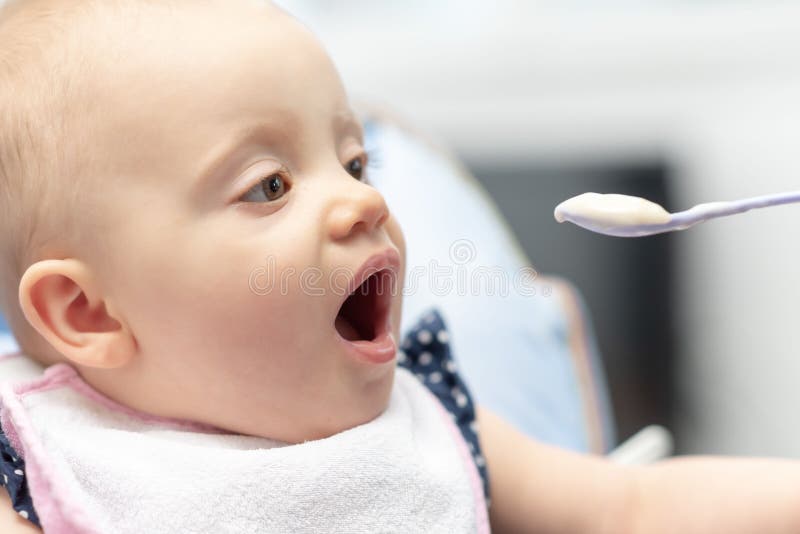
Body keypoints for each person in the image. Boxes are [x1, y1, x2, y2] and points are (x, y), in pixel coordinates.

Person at [1, 0, 800, 532]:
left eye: (354, 163)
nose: (364, 203)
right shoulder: (39, 460)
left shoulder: (429, 420)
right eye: (269, 186)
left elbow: (630, 508)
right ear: (88, 313)